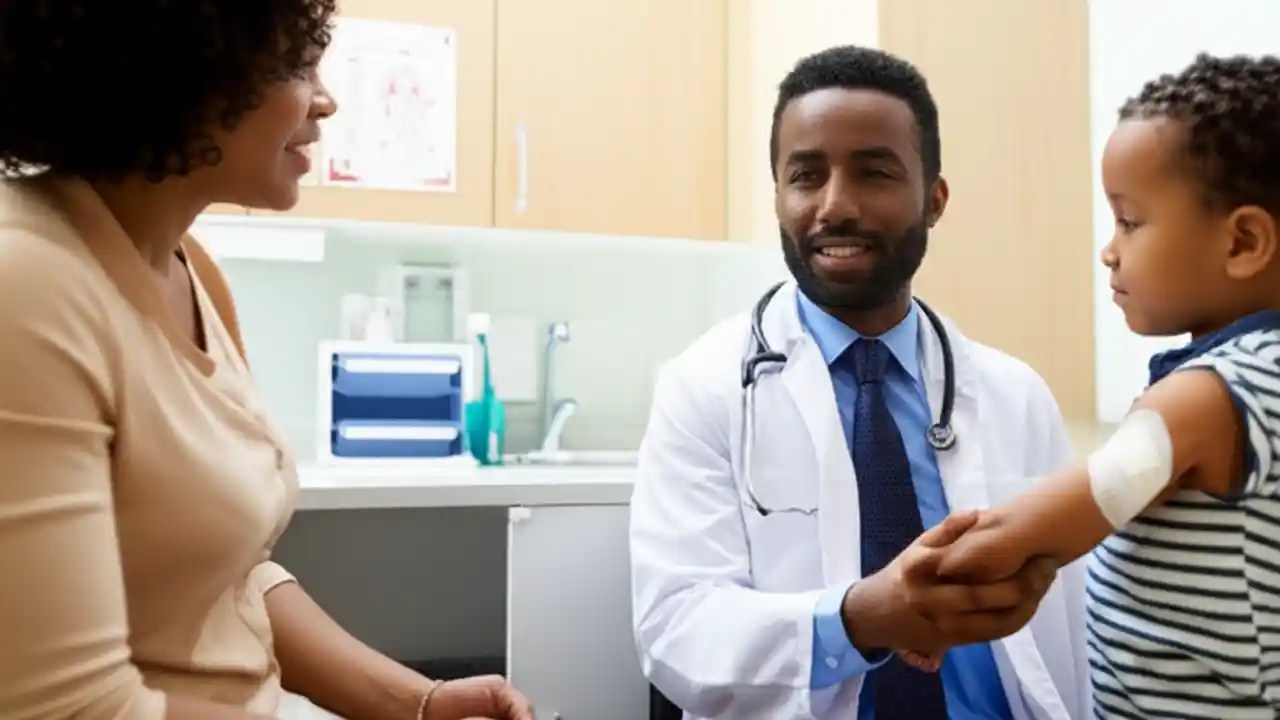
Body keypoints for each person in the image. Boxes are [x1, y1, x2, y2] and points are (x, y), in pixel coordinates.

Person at [0, 3, 532, 720]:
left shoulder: (190, 270)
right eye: (292, 64)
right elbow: (69, 710)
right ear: (177, 70)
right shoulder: (27, 283)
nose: (325, 98)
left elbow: (230, 576)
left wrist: (417, 702)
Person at [629, 44, 1090, 720]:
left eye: (874, 173)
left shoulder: (1015, 395)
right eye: (806, 176)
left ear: (934, 200)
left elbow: (1070, 631)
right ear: (780, 197)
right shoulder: (702, 389)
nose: (835, 206)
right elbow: (678, 630)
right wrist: (859, 619)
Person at [921, 52, 1280, 718]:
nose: (1110, 249)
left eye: (1130, 221)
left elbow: (1061, 515)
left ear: (1243, 243)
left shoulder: (1204, 398)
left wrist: (929, 589)